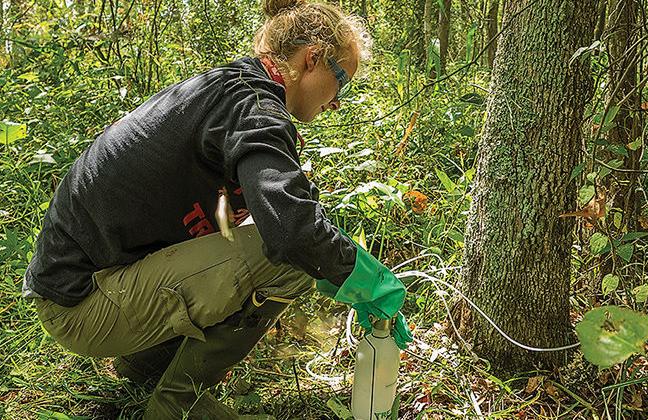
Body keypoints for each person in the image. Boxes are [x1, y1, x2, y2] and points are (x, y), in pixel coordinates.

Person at [22, 0, 413, 418]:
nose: (337, 103)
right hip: (83, 305)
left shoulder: (232, 87)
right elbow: (294, 231)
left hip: (83, 287)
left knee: (258, 236)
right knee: (287, 260)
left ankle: (145, 365)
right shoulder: (254, 107)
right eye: (342, 83)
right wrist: (364, 278)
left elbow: (269, 205)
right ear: (312, 58)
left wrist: (329, 262)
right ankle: (177, 406)